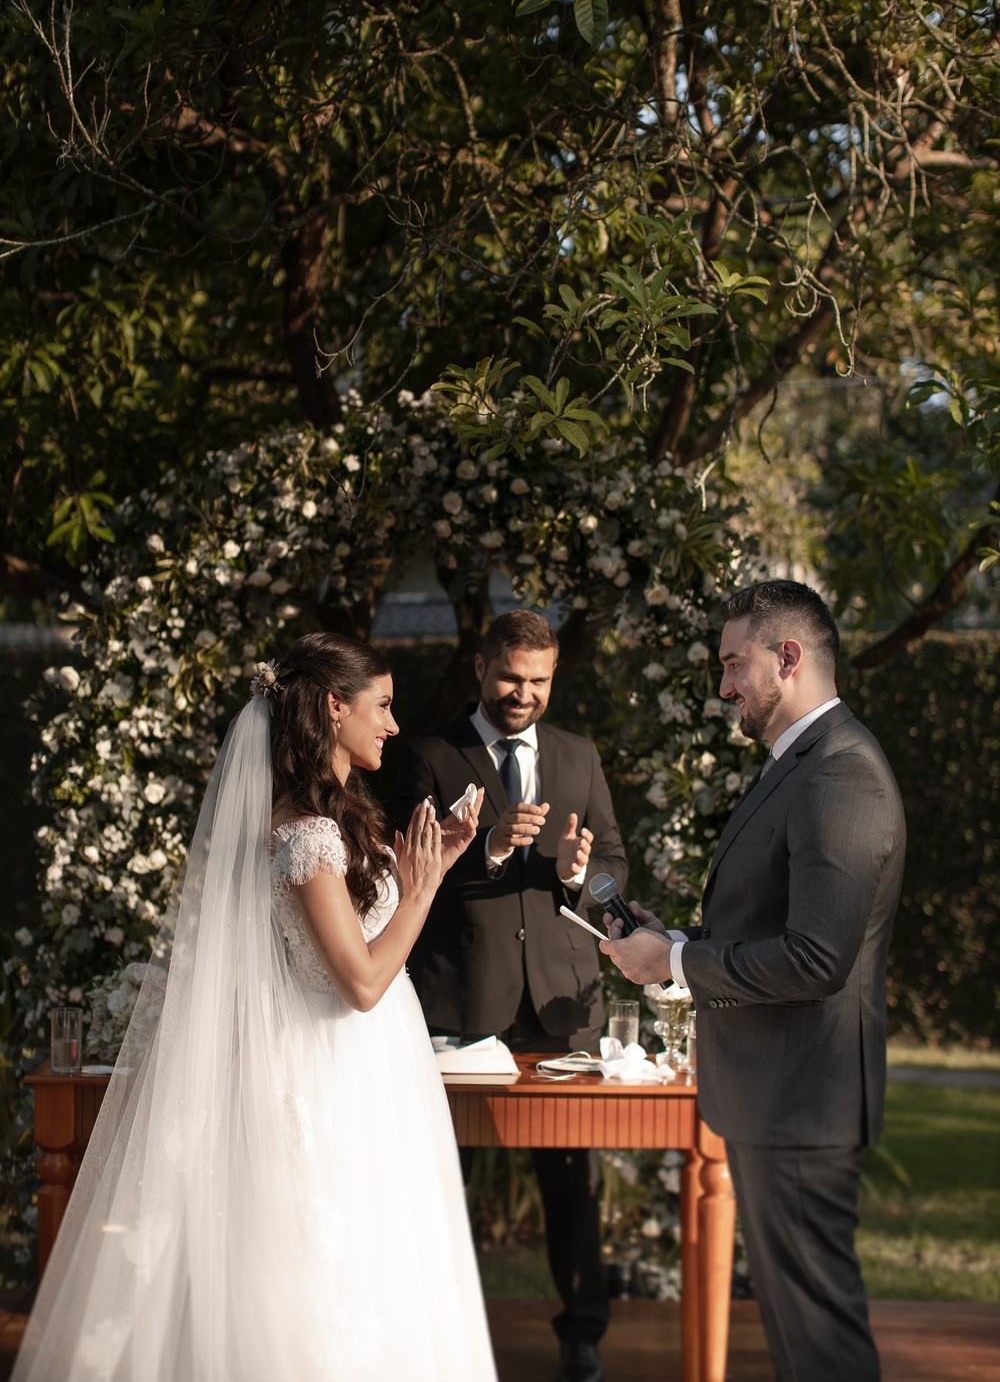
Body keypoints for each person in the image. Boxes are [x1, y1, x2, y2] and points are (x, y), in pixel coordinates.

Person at [14, 632, 498, 1382]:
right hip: (334, 1066)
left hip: (373, 1070)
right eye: (383, 706)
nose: (394, 725)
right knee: (329, 1259)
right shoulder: (306, 834)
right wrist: (426, 890)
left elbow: (370, 937)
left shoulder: (336, 818)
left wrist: (430, 863)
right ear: (335, 709)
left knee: (387, 1251)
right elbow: (362, 984)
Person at [601, 581, 905, 1382]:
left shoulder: (839, 772)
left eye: (735, 664)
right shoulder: (800, 765)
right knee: (800, 1337)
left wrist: (671, 965)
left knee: (821, 1343)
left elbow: (815, 959)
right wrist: (673, 941)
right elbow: (772, 926)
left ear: (790, 657)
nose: (724, 685)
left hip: (801, 1102)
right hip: (778, 1100)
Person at [395, 609, 628, 1382]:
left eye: (539, 681)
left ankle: (582, 1336)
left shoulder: (579, 755)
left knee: (571, 1183)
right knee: (441, 1180)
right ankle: (430, 1336)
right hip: (461, 1003)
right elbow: (404, 876)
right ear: (480, 667)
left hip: (563, 1008)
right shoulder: (427, 756)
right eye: (509, 678)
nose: (523, 694)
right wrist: (490, 851)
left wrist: (573, 875)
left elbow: (613, 869)